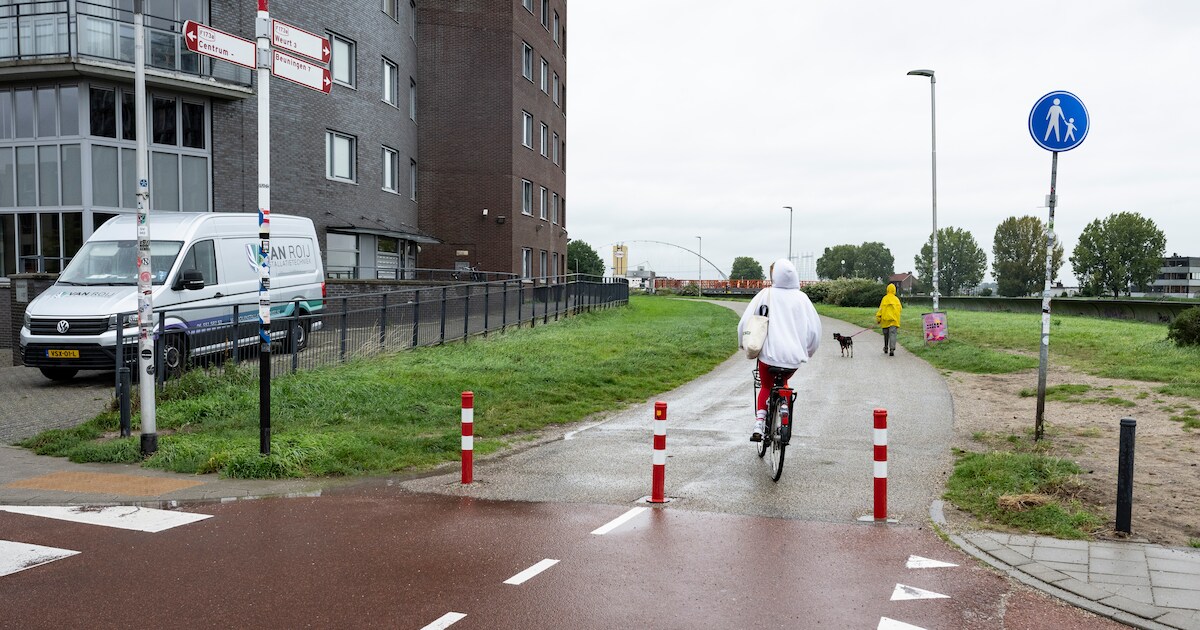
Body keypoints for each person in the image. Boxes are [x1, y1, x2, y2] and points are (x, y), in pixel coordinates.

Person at [737, 259, 822, 442]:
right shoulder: (803, 299)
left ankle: (759, 422)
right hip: (793, 360)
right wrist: (808, 351)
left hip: (768, 358)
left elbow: (745, 322)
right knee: (783, 381)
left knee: (766, 386)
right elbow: (815, 331)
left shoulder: (765, 295)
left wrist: (742, 343)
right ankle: (784, 410)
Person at [876, 283, 902, 356]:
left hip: (885, 321)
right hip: (894, 321)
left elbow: (880, 309)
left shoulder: (884, 298)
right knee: (893, 334)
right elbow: (900, 309)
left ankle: (886, 347)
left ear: (887, 289)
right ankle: (892, 349)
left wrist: (878, 318)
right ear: (894, 290)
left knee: (886, 335)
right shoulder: (896, 299)